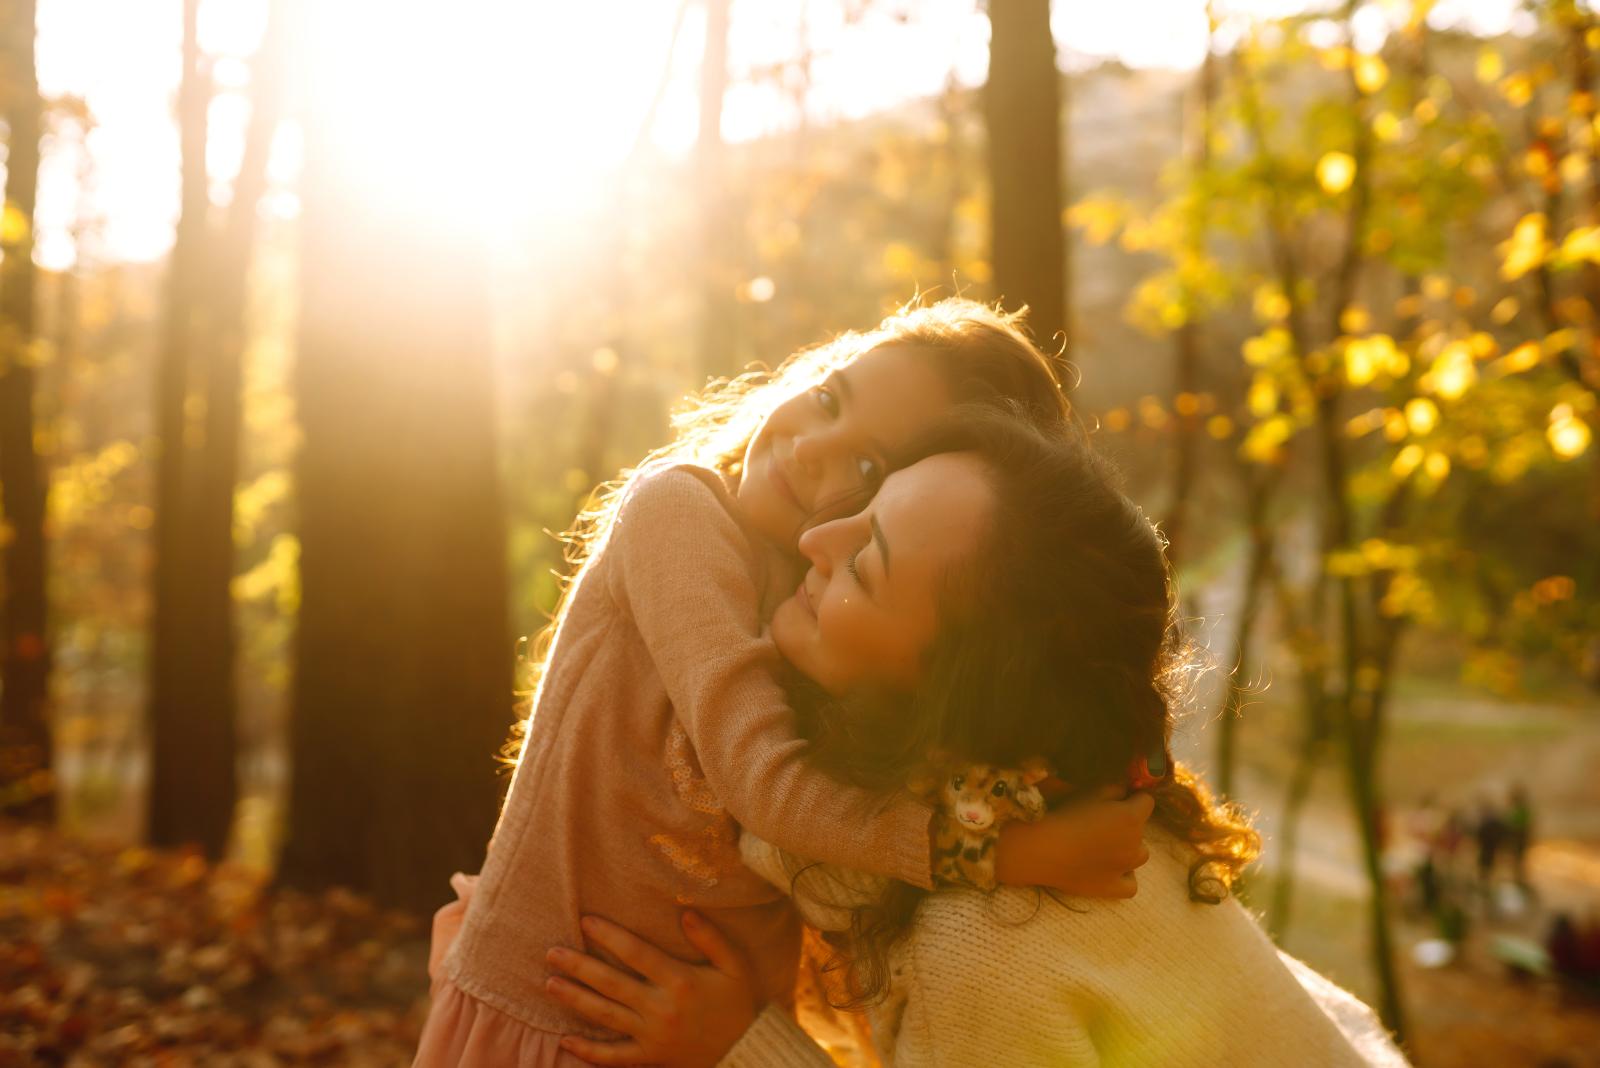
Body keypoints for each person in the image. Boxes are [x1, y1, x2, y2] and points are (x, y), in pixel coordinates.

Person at [413, 301, 1155, 1067]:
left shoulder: (825, 625)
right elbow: (761, 782)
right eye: (829, 398)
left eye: (867, 469)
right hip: (556, 1023)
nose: (809, 448)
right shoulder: (678, 513)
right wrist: (1001, 851)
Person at [545, 411, 1410, 1067]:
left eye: (865, 566)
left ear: (937, 702)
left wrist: (741, 1045)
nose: (815, 538)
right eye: (865, 506)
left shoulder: (985, 942)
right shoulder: (1076, 812)